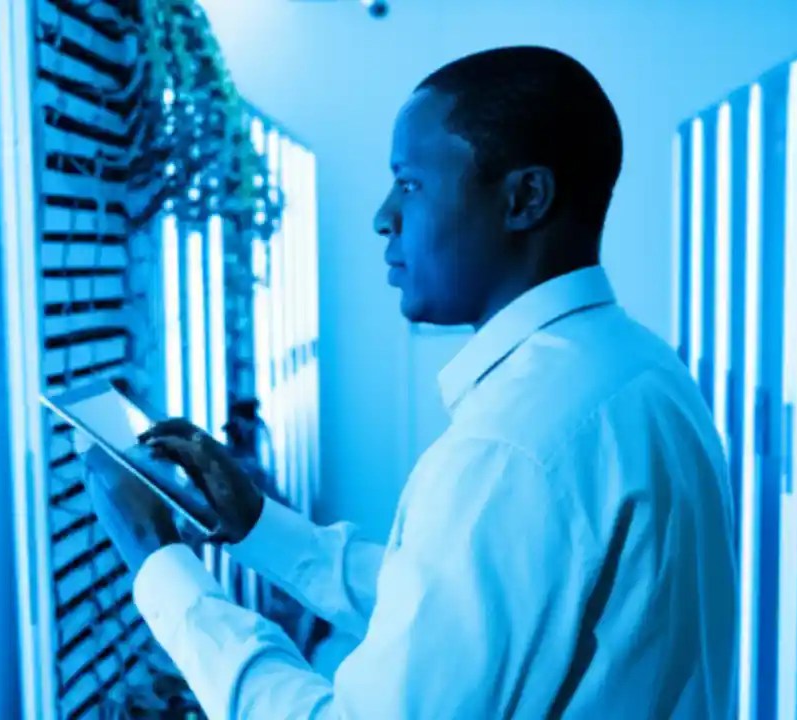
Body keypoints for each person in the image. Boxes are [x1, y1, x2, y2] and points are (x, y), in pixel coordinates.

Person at [85, 45, 737, 718]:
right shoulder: (637, 367)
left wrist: (161, 565)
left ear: (525, 198)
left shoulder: (511, 450)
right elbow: (466, 611)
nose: (383, 216)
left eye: (411, 183)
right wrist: (259, 527)